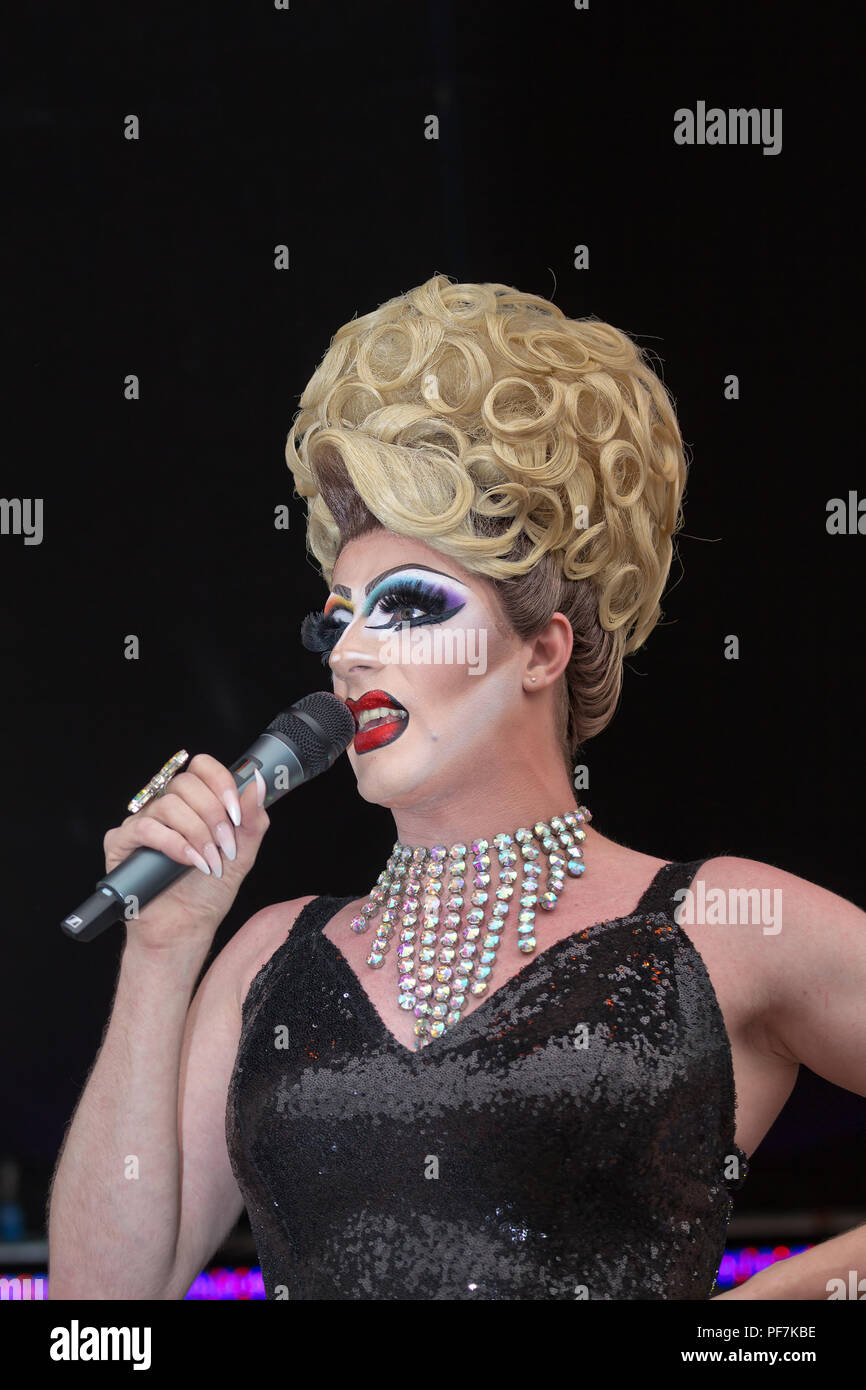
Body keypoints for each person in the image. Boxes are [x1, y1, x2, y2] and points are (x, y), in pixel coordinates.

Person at [47, 276, 866, 1301]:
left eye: (406, 604)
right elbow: (97, 1310)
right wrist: (162, 954)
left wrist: (758, 1316)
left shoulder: (721, 926)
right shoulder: (270, 957)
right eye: (336, 617)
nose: (348, 651)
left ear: (540, 650)